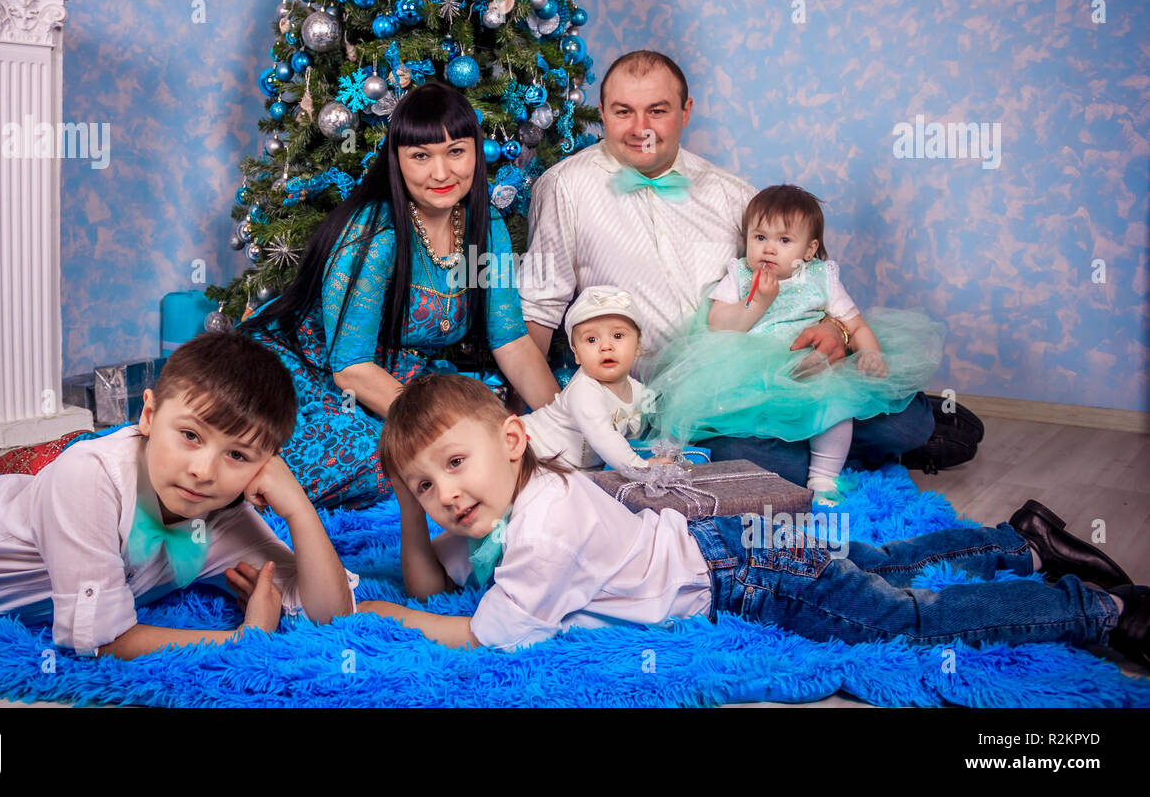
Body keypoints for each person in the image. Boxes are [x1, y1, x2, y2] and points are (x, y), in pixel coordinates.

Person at [357, 374, 1147, 665]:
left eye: (454, 465)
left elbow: (485, 633)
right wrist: (406, 509)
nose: (445, 495)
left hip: (742, 578)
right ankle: (1017, 540)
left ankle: (1096, 609)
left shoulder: (541, 527)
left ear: (513, 439)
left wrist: (384, 613)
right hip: (722, 536)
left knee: (901, 619)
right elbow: (437, 582)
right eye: (425, 486)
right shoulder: (501, 513)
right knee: (875, 556)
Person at [518, 50, 935, 485]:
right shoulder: (564, 189)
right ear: (602, 112)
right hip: (668, 400)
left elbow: (803, 277)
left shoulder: (733, 195)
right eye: (623, 112)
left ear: (685, 111)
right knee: (766, 463)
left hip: (767, 373)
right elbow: (537, 314)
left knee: (912, 423)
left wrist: (838, 330)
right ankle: (815, 454)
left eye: (657, 111)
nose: (640, 129)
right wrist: (571, 423)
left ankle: (820, 443)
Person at [0, 332, 358, 659]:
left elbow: (330, 612)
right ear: (149, 415)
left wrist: (297, 506)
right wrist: (245, 639)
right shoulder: (90, 479)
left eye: (239, 456)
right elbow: (102, 640)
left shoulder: (220, 513)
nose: (203, 471)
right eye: (190, 436)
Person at [241, 82, 559, 509]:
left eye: (456, 152)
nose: (442, 173)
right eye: (421, 156)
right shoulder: (376, 232)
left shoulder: (489, 229)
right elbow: (351, 368)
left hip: (401, 375)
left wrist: (563, 422)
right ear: (398, 160)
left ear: (476, 152)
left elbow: (512, 340)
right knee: (393, 458)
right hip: (310, 367)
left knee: (494, 421)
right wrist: (434, 431)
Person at [649, 185, 945, 506]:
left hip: (809, 367)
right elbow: (718, 324)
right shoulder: (741, 274)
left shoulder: (820, 277)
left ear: (809, 249)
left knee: (836, 406)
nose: (769, 249)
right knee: (721, 411)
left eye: (784, 240)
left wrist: (870, 352)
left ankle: (823, 477)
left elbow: (855, 324)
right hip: (749, 370)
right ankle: (686, 455)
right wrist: (757, 303)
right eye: (759, 238)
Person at [520, 286, 657, 471]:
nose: (605, 346)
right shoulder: (584, 389)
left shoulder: (639, 390)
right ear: (576, 355)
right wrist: (640, 466)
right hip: (531, 447)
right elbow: (604, 437)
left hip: (567, 466)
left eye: (618, 336)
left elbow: (628, 437)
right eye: (591, 340)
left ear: (638, 346)